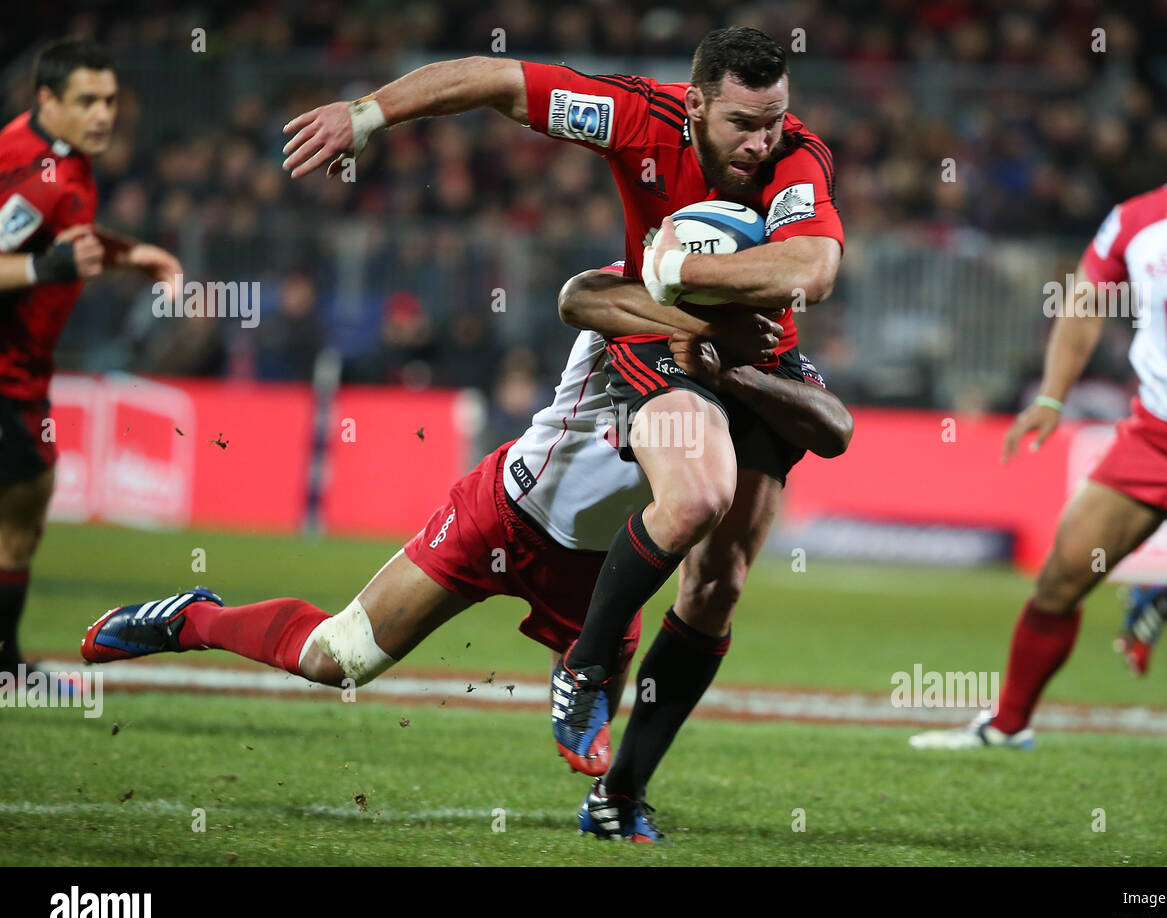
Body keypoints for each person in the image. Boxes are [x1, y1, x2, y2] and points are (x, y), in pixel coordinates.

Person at [280, 25, 844, 831]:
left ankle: (618, 796)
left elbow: (812, 271)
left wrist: (682, 269)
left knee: (719, 587)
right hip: (664, 343)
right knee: (695, 498)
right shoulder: (631, 116)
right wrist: (368, 116)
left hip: (759, 361)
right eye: (743, 124)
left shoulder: (799, 160)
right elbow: (492, 79)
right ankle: (584, 668)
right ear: (693, 106)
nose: (763, 142)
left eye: (775, 121)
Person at [83, 263, 853, 843]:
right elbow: (579, 294)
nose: (773, 309)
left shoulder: (760, 368)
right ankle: (194, 618)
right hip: (502, 518)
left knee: (590, 754)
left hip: (606, 571)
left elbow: (830, 422)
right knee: (336, 659)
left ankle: (607, 774)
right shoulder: (631, 308)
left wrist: (740, 372)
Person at [910, 92, 1167, 750]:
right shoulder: (1138, 222)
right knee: (1061, 578)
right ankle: (1006, 727)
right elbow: (1085, 304)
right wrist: (1052, 398)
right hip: (1158, 437)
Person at [0, 39, 181, 681]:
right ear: (46, 99)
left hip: (23, 375)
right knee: (22, 507)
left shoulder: (65, 160)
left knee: (27, 501)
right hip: (4, 377)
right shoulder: (26, 172)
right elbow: (41, 248)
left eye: (109, 100)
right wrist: (45, 268)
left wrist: (132, 254)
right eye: (87, 101)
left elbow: (68, 237)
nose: (103, 114)